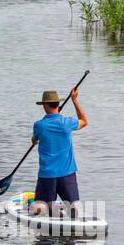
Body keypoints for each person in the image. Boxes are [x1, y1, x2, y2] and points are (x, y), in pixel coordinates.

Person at [29, 87, 87, 217]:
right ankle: (66, 215)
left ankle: (49, 212)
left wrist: (33, 141)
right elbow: (84, 121)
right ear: (58, 104)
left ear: (44, 106)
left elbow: (35, 138)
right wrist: (75, 100)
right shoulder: (67, 123)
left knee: (39, 209)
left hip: (47, 175)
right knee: (75, 208)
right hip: (67, 174)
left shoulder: (39, 125)